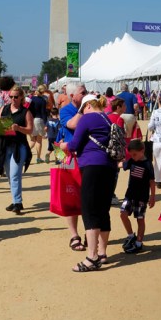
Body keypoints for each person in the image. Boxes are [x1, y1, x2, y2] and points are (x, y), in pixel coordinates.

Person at [63, 94, 118, 272]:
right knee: (103, 210)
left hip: (92, 167)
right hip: (109, 167)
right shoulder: (108, 119)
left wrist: (64, 146)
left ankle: (92, 257)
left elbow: (74, 144)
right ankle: (102, 253)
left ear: (87, 106)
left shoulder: (87, 119)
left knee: (89, 209)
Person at [57, 85, 88, 250]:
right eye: (82, 92)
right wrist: (84, 109)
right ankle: (74, 235)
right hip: (69, 156)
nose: (86, 94)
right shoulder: (65, 110)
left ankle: (90, 232)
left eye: (86, 92)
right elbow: (72, 125)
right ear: (71, 95)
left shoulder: (90, 108)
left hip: (86, 156)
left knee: (87, 195)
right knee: (71, 196)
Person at [0, 85, 34, 215]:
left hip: (19, 146)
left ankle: (18, 203)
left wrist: (18, 128)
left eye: (16, 97)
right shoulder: (4, 108)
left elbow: (30, 130)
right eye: (11, 96)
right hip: (5, 145)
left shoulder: (26, 112)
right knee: (9, 175)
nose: (13, 99)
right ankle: (15, 200)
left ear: (21, 97)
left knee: (15, 175)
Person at [119, 139, 155, 255]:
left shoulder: (148, 164)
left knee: (140, 219)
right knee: (123, 214)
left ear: (142, 151)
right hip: (130, 195)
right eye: (131, 155)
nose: (133, 157)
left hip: (142, 197)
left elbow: (152, 181)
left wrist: (152, 196)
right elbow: (121, 165)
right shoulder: (131, 161)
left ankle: (139, 243)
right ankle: (131, 236)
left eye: (135, 154)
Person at [29, 86, 48, 163]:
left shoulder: (31, 99)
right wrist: (46, 123)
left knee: (33, 140)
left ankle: (23, 154)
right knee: (39, 140)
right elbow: (44, 113)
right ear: (43, 92)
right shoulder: (42, 100)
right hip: (39, 120)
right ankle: (38, 158)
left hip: (31, 119)